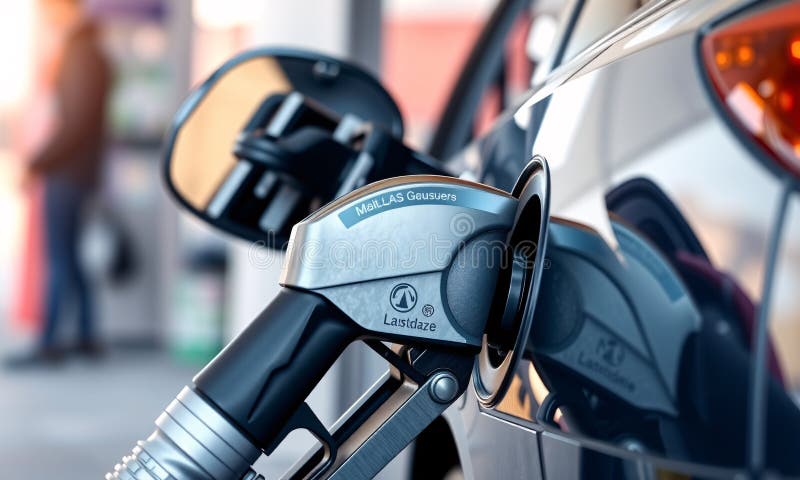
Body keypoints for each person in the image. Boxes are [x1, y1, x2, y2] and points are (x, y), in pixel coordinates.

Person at [6, 0, 112, 367]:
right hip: (80, 171)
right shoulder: (93, 50)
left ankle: (49, 343)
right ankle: (85, 336)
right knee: (71, 257)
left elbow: (73, 123)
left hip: (68, 172)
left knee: (60, 258)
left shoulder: (80, 53)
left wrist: (37, 163)